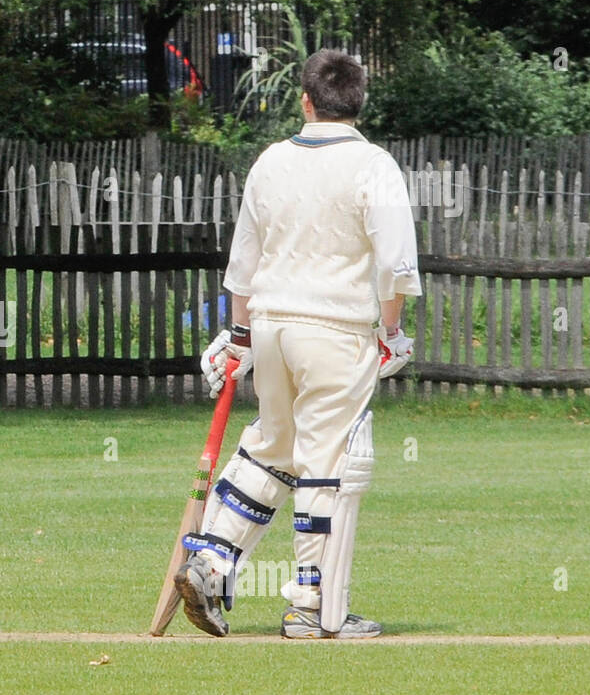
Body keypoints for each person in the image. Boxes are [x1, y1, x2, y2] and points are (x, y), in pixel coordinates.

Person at [177, 49, 419, 640]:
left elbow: (243, 265)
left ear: (306, 100)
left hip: (271, 326)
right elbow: (395, 267)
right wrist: (390, 332)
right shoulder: (375, 164)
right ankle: (311, 606)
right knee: (329, 463)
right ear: (359, 102)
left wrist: (239, 339)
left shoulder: (270, 161)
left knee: (270, 446)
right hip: (336, 330)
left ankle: (210, 561)